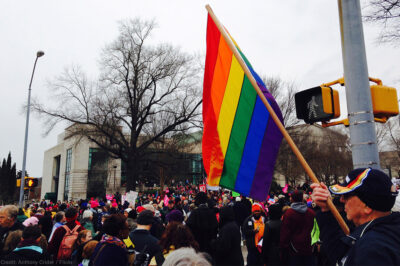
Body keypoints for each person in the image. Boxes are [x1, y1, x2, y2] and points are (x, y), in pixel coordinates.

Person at [311, 168, 400, 265]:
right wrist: (326, 209)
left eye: (346, 195)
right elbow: (340, 254)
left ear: (367, 205)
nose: (341, 200)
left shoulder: (372, 249)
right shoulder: (384, 230)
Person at [279, 189, 316, 265]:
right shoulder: (311, 213)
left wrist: (283, 249)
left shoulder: (288, 213)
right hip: (308, 247)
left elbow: (285, 233)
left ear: (292, 199)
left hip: (294, 250)